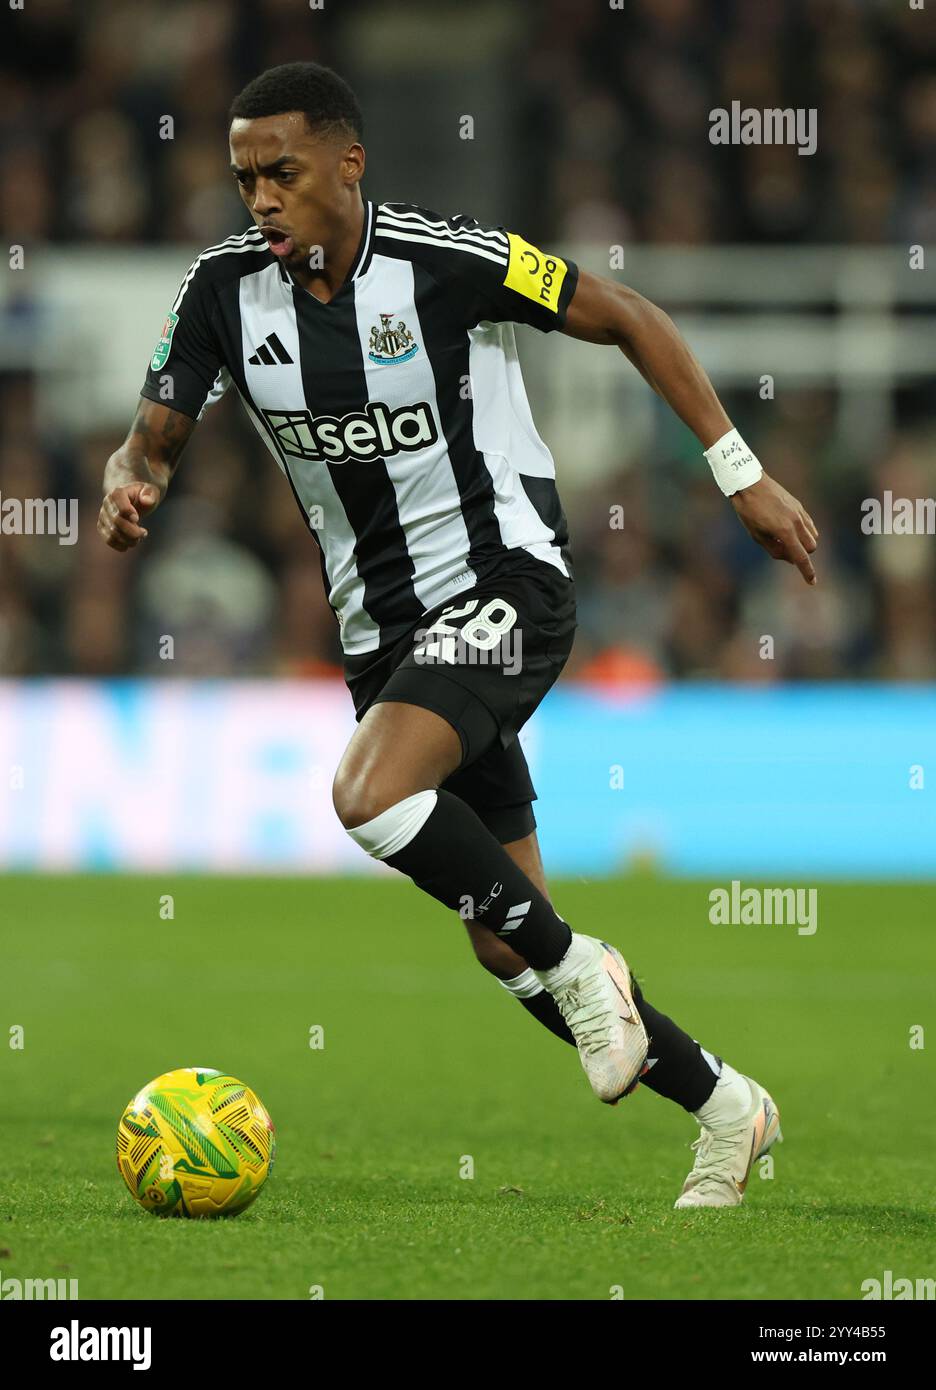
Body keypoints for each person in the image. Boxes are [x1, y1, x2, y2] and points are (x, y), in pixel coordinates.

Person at [99, 62, 817, 1207]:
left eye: (282, 172)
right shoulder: (222, 291)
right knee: (503, 939)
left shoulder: (451, 260)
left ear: (349, 162)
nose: (262, 199)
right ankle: (728, 1104)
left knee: (368, 792)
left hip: (505, 584)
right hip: (383, 642)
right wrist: (131, 482)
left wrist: (740, 474)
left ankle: (589, 972)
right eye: (244, 179)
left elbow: (627, 315)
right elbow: (152, 437)